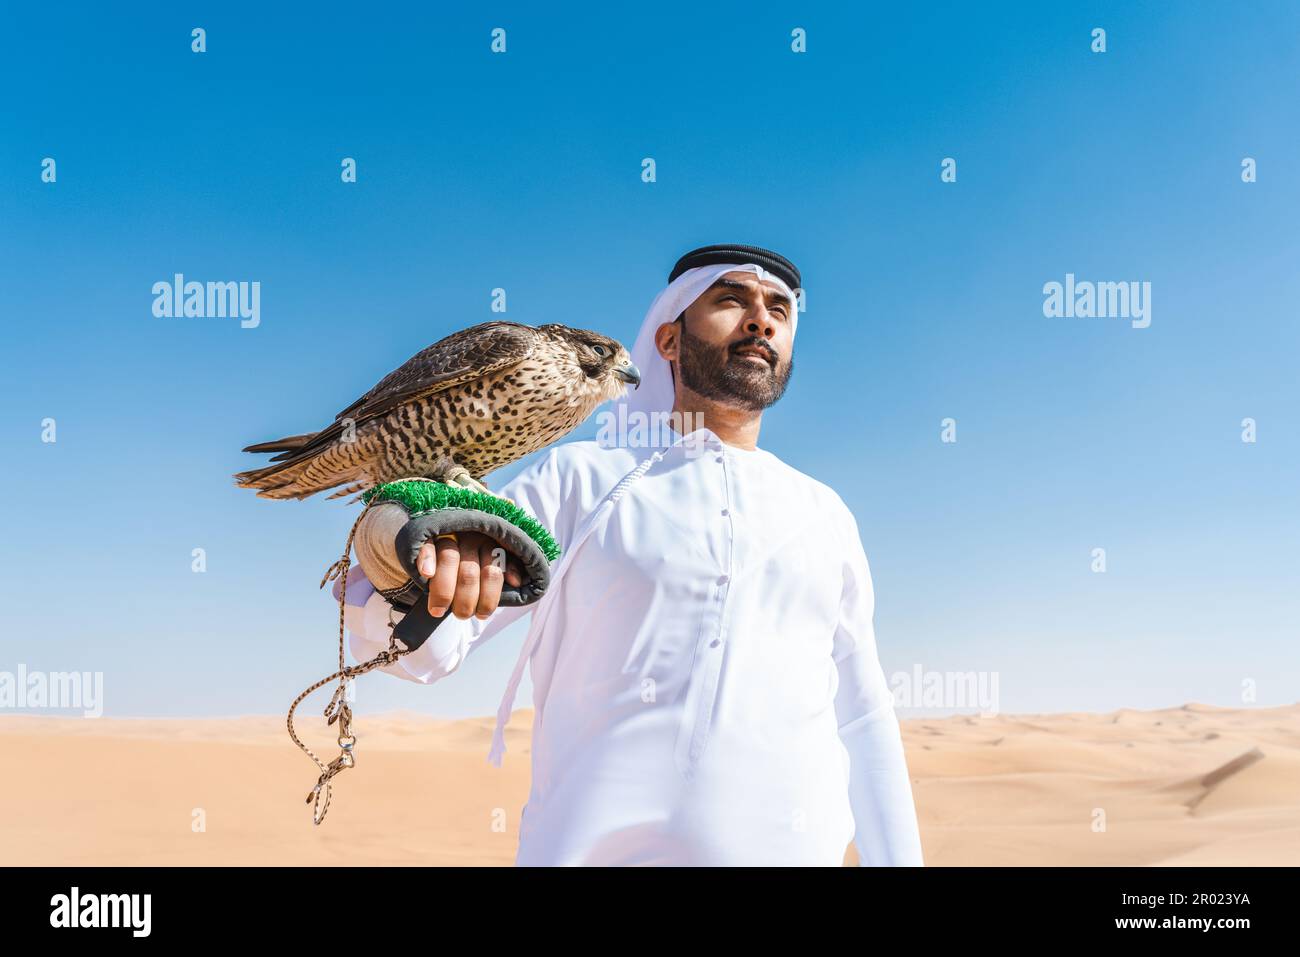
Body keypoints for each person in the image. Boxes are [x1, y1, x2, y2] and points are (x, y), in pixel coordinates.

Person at [336, 243, 925, 866]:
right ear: (668, 340)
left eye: (779, 309)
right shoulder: (581, 479)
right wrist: (402, 570)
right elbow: (422, 653)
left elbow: (863, 717)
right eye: (732, 300)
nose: (762, 320)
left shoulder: (824, 513)